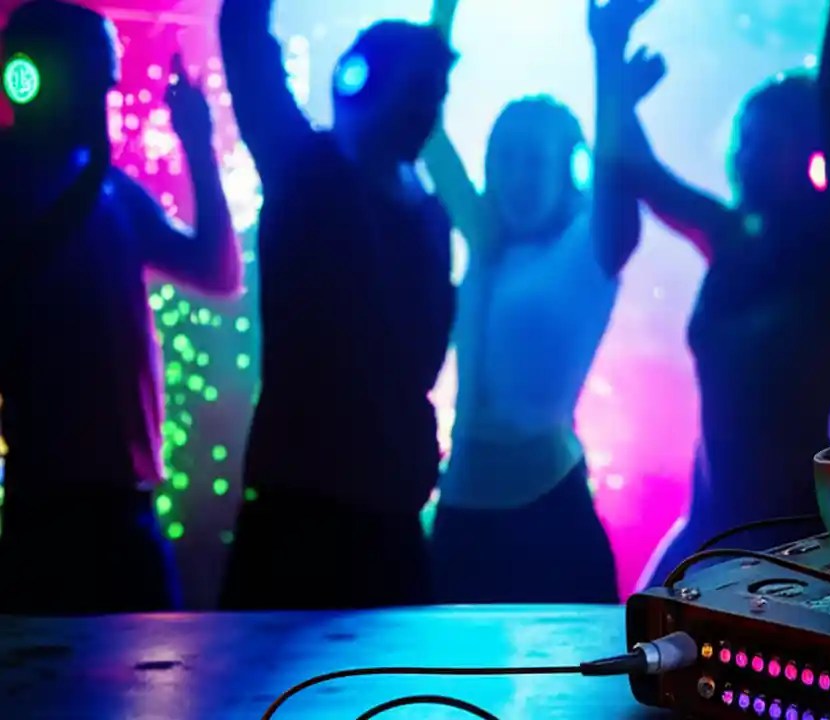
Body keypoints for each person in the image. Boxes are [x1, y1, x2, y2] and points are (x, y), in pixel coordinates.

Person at [0, 0, 239, 614]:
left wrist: (198, 148)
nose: (102, 103)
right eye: (94, 85)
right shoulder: (17, 181)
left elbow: (216, 273)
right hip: (48, 503)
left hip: (126, 500)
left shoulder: (110, 188)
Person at [217, 0, 455, 609]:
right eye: (419, 92)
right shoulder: (306, 171)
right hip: (299, 514)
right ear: (362, 83)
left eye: (436, 95)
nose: (428, 112)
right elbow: (243, 36)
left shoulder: (431, 216)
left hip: (386, 514)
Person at [633, 0, 830, 587]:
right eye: (744, 140)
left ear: (813, 150)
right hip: (710, 524)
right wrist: (612, 73)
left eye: (767, 142)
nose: (746, 156)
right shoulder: (730, 238)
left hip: (791, 535)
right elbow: (639, 171)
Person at [422, 0, 646, 604]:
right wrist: (443, 12)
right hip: (462, 511)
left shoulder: (585, 250)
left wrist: (607, 54)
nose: (515, 174)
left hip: (547, 515)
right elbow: (428, 130)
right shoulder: (486, 237)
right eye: (504, 156)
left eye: (534, 159)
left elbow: (615, 186)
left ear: (566, 168)